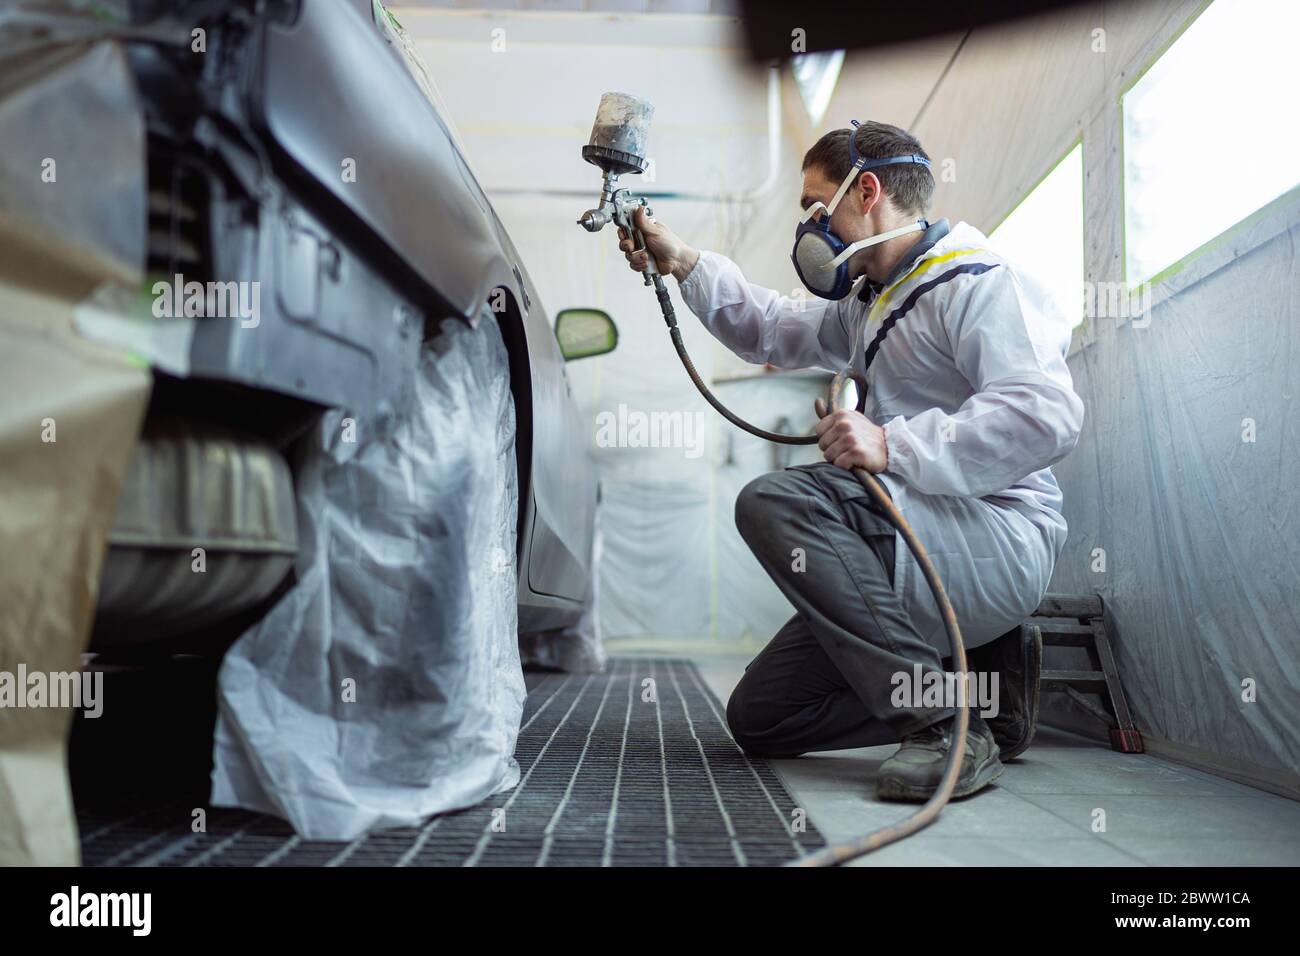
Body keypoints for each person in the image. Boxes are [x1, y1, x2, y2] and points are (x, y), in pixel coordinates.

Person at [617, 120, 1084, 801]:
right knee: (764, 717)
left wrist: (892, 444)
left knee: (775, 501)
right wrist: (682, 260)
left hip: (992, 538)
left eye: (815, 206)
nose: (809, 226)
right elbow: (773, 326)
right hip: (913, 537)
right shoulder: (872, 302)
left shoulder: (978, 283)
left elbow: (1047, 415)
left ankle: (941, 722)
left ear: (867, 191)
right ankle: (989, 689)